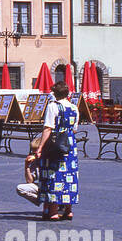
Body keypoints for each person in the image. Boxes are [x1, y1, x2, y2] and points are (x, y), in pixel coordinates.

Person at [28, 81, 79, 221]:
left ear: (55, 94)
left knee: (54, 175)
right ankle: (68, 210)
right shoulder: (74, 107)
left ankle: (53, 211)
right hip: (69, 145)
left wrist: (40, 148)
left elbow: (48, 128)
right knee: (69, 176)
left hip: (54, 144)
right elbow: (74, 129)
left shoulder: (53, 106)